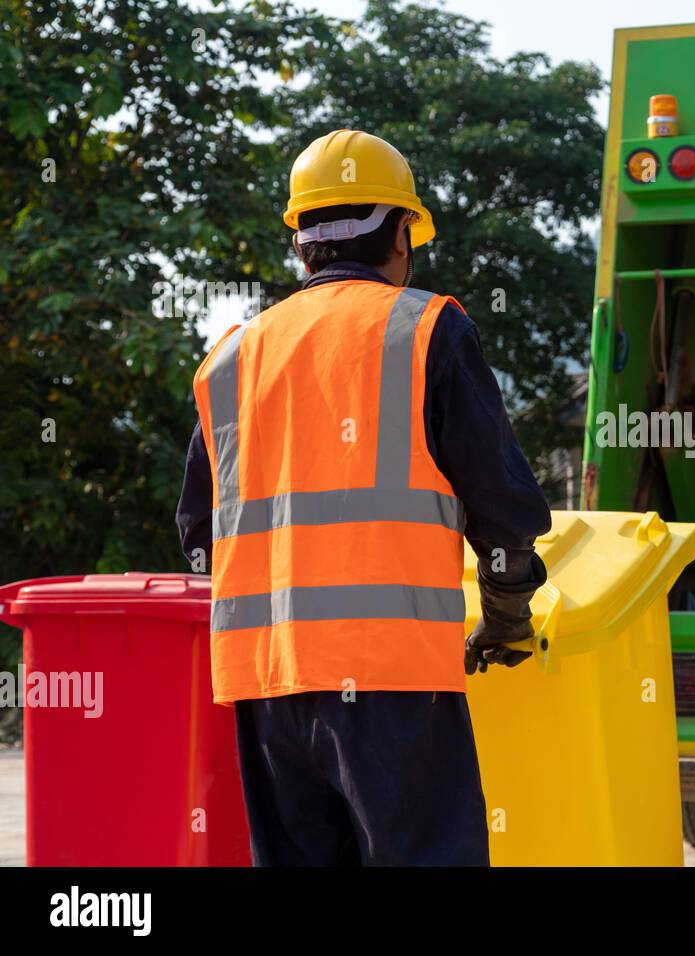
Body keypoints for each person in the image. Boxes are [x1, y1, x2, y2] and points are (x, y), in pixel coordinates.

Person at [175, 129, 552, 864]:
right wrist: (506, 617)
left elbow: (198, 535)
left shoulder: (233, 358)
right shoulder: (428, 328)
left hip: (268, 685)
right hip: (396, 680)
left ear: (301, 244)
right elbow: (502, 510)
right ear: (400, 233)